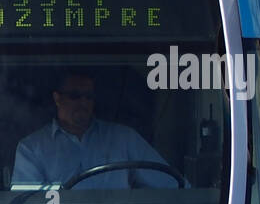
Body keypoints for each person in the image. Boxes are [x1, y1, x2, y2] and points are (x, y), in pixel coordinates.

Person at [11, 72, 178, 189]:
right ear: (57, 98)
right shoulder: (31, 148)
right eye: (75, 96)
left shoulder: (124, 138)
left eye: (88, 97)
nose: (83, 103)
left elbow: (172, 186)